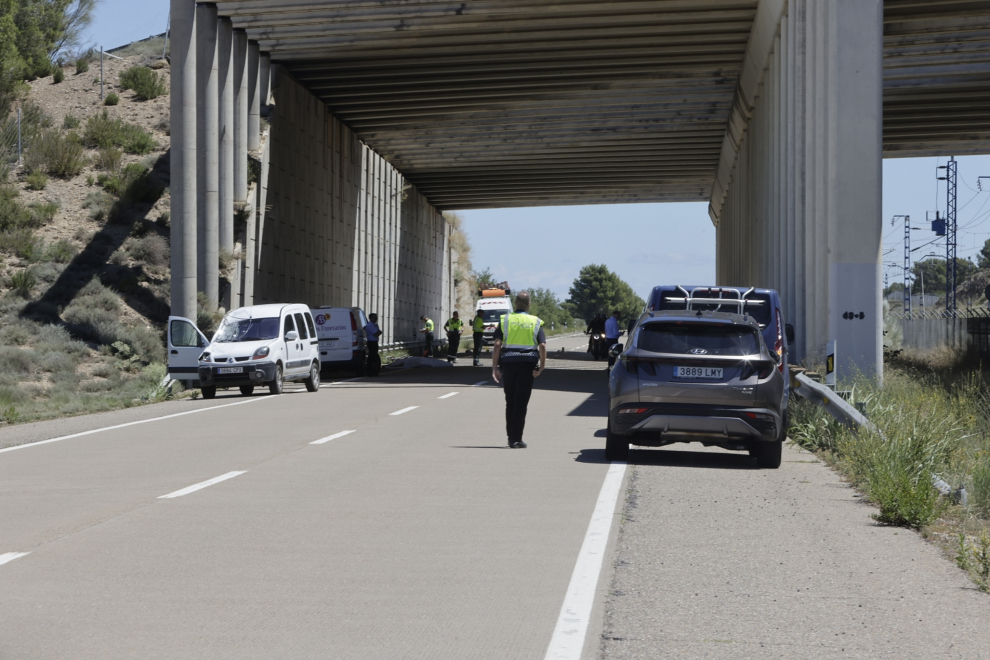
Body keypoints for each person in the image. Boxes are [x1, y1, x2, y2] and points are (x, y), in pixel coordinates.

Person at [492, 291, 547, 449]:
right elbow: (542, 346)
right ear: (529, 305)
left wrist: (495, 366)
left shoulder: (505, 319)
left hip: (508, 365)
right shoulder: (535, 321)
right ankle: (517, 438)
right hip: (527, 366)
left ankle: (510, 437)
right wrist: (542, 366)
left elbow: (497, 345)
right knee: (521, 403)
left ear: (515, 304)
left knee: (510, 401)